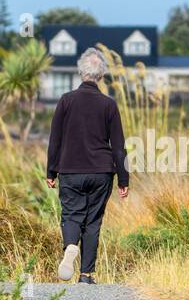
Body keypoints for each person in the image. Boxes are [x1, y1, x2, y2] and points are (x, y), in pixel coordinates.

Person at [45, 48, 129, 283]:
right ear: (101, 75)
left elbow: (55, 139)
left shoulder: (66, 101)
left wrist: (51, 171)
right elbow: (119, 147)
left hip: (70, 169)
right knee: (93, 220)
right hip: (101, 171)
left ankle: (71, 245)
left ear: (81, 72)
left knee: (72, 215)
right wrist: (124, 179)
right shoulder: (109, 105)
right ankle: (86, 274)